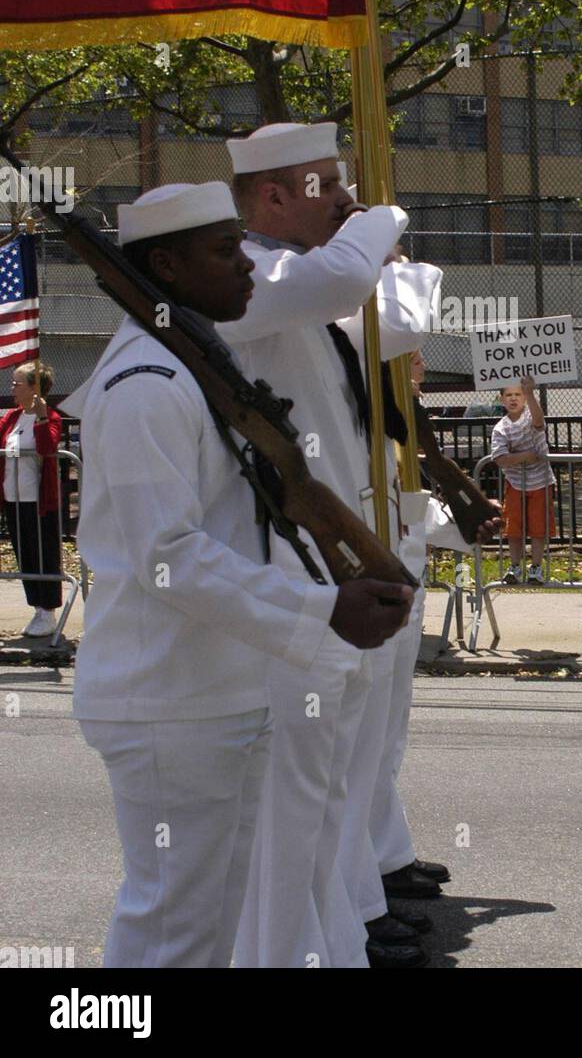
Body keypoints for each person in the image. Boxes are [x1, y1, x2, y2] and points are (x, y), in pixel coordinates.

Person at [66, 182, 412, 968]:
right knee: (173, 934)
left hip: (217, 689)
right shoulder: (146, 384)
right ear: (167, 267)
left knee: (213, 929)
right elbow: (169, 556)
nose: (249, 265)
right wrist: (323, 610)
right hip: (169, 697)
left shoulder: (191, 367)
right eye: (226, 251)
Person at [221, 122, 495, 969]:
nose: (344, 201)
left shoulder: (303, 282)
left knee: (349, 756)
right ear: (272, 197)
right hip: (297, 576)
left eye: (347, 186)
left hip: (350, 555)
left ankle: (352, 912)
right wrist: (384, 221)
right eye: (327, 186)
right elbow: (377, 302)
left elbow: (387, 325)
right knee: (311, 778)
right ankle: (335, 929)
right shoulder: (257, 280)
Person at [0, 361, 63, 637]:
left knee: (43, 554)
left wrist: (41, 418)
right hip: (13, 499)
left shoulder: (50, 417)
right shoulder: (12, 417)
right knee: (24, 555)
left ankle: (48, 610)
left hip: (38, 502)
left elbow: (47, 447)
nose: (12, 388)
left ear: (34, 388)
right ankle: (37, 607)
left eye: (17, 383)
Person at [490, 375, 555, 585]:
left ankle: (536, 567)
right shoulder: (500, 428)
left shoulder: (531, 415)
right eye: (509, 395)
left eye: (518, 394)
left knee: (538, 528)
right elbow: (500, 458)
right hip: (515, 483)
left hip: (541, 481)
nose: (513, 398)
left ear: (524, 398)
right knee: (513, 529)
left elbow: (539, 422)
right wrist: (525, 456)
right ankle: (515, 566)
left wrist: (530, 393)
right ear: (502, 399)